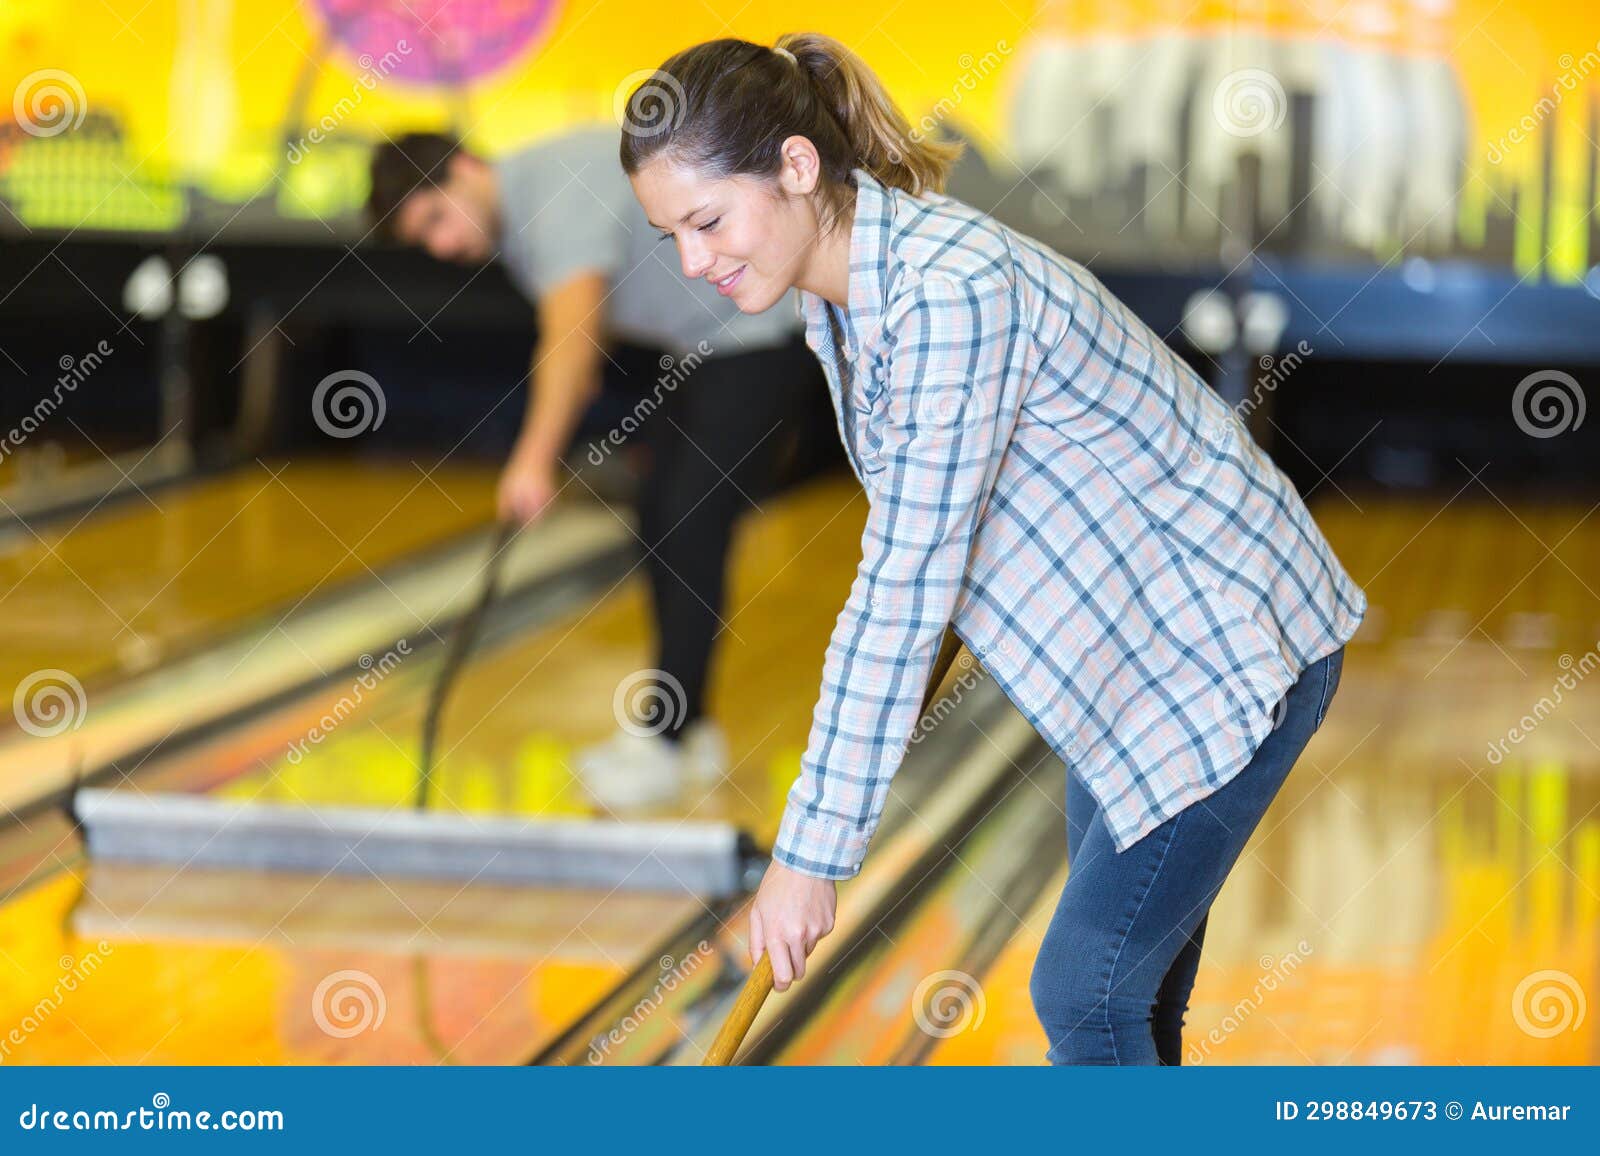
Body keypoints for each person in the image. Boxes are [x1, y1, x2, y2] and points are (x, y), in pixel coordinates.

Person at [619, 33, 1366, 1064]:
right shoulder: (846, 298)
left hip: (1225, 649)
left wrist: (808, 855)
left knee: (1087, 991)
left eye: (707, 222)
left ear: (794, 166)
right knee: (1129, 1003)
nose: (694, 261)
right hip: (1134, 662)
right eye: (671, 236)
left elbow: (901, 584)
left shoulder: (948, 289)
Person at [366, 128, 827, 810]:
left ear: (464, 167)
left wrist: (532, 461)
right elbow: (581, 350)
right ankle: (686, 727)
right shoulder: (522, 219)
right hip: (709, 347)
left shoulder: (549, 193)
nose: (441, 245)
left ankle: (671, 739)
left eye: (436, 217)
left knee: (689, 523)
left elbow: (572, 335)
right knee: (660, 516)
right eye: (422, 238)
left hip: (764, 333)